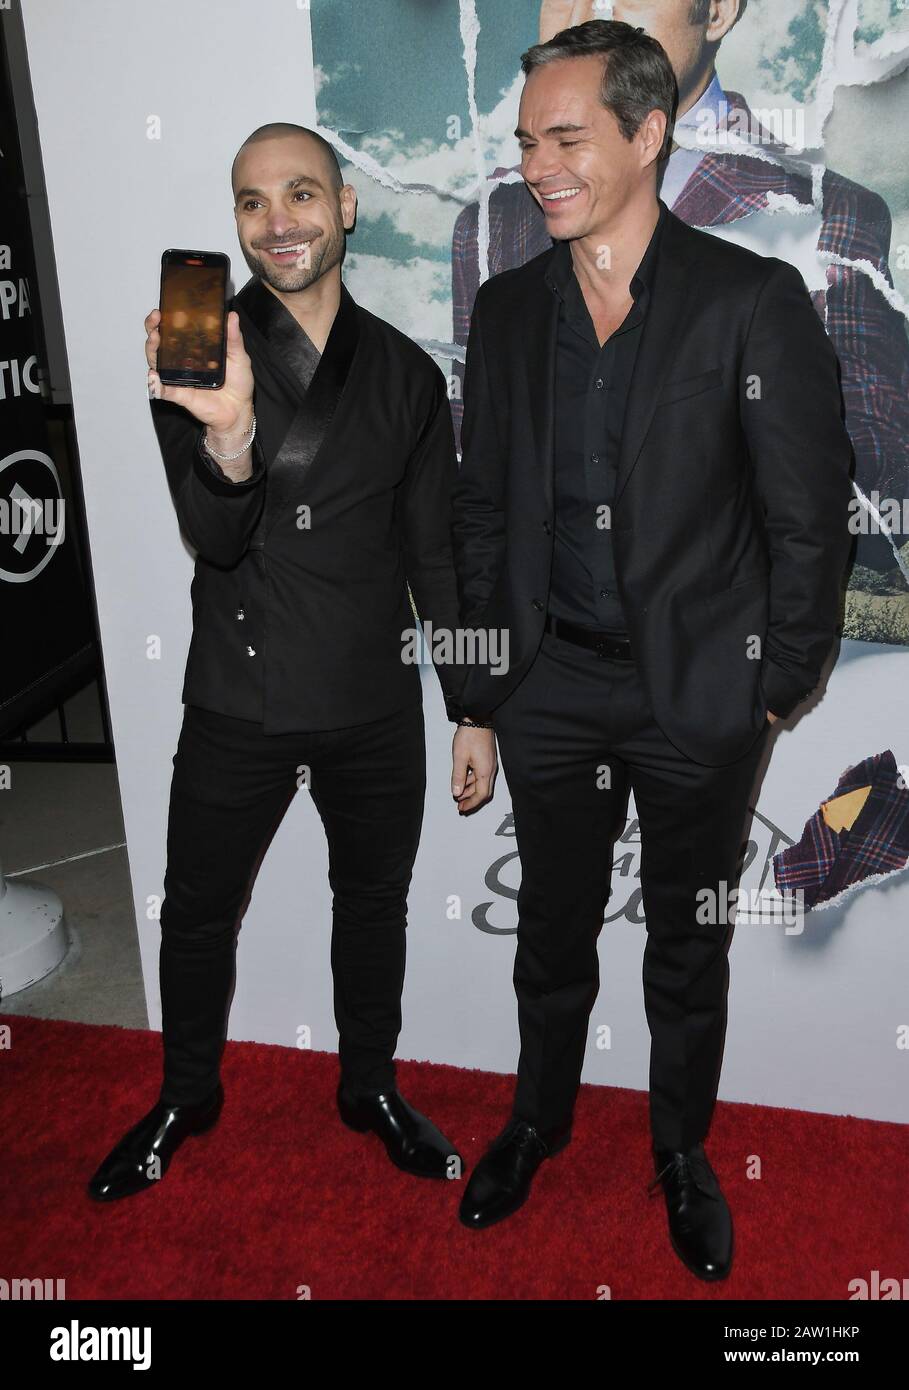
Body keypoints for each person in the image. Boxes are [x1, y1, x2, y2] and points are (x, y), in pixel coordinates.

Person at [449, 20, 853, 1279]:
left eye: (566, 138)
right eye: (525, 142)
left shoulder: (751, 300)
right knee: (552, 929)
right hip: (550, 684)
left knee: (688, 939)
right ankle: (536, 1122)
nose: (539, 166)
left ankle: (681, 1153)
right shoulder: (510, 310)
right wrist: (476, 692)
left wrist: (777, 688)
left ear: (647, 132)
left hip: (700, 696)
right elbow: (478, 513)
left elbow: (808, 514)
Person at [88, 122, 478, 1202]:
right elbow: (213, 539)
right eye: (253, 203)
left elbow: (432, 551)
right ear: (236, 223)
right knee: (199, 910)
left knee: (374, 901)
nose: (279, 224)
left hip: (368, 698)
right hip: (239, 692)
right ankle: (184, 1093)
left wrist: (473, 706)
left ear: (345, 206)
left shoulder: (405, 372)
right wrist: (227, 434)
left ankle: (368, 1085)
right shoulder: (202, 348)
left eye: (301, 194)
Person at [450, 0, 908, 587]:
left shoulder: (829, 210)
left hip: (711, 633)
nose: (600, 5)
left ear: (716, 12)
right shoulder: (492, 220)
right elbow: (474, 466)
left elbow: (866, 473)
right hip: (546, 647)